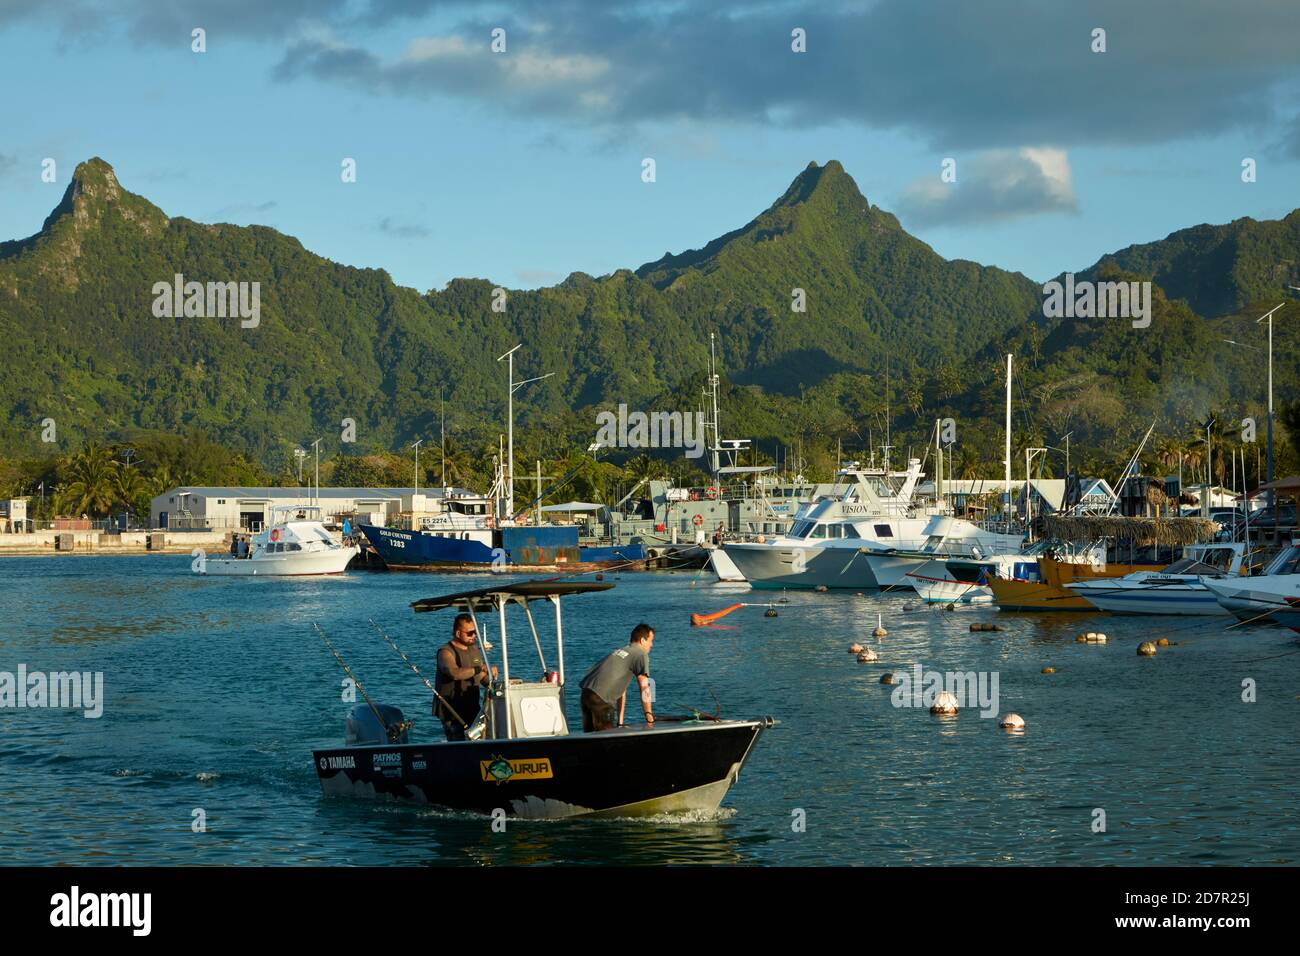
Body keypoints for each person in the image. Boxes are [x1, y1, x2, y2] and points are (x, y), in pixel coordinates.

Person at [578, 624, 655, 731]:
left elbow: (620, 690)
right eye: (651, 641)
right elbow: (644, 687)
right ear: (642, 640)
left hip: (586, 694)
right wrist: (649, 718)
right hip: (600, 698)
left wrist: (620, 722)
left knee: (590, 736)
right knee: (605, 738)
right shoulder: (640, 654)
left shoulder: (622, 651)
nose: (652, 645)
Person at [435, 613, 497, 741]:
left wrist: (491, 675)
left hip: (473, 710)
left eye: (475, 632)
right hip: (452, 713)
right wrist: (480, 669)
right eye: (469, 633)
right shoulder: (445, 652)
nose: (474, 636)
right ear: (458, 634)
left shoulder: (474, 650)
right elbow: (454, 673)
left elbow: (481, 679)